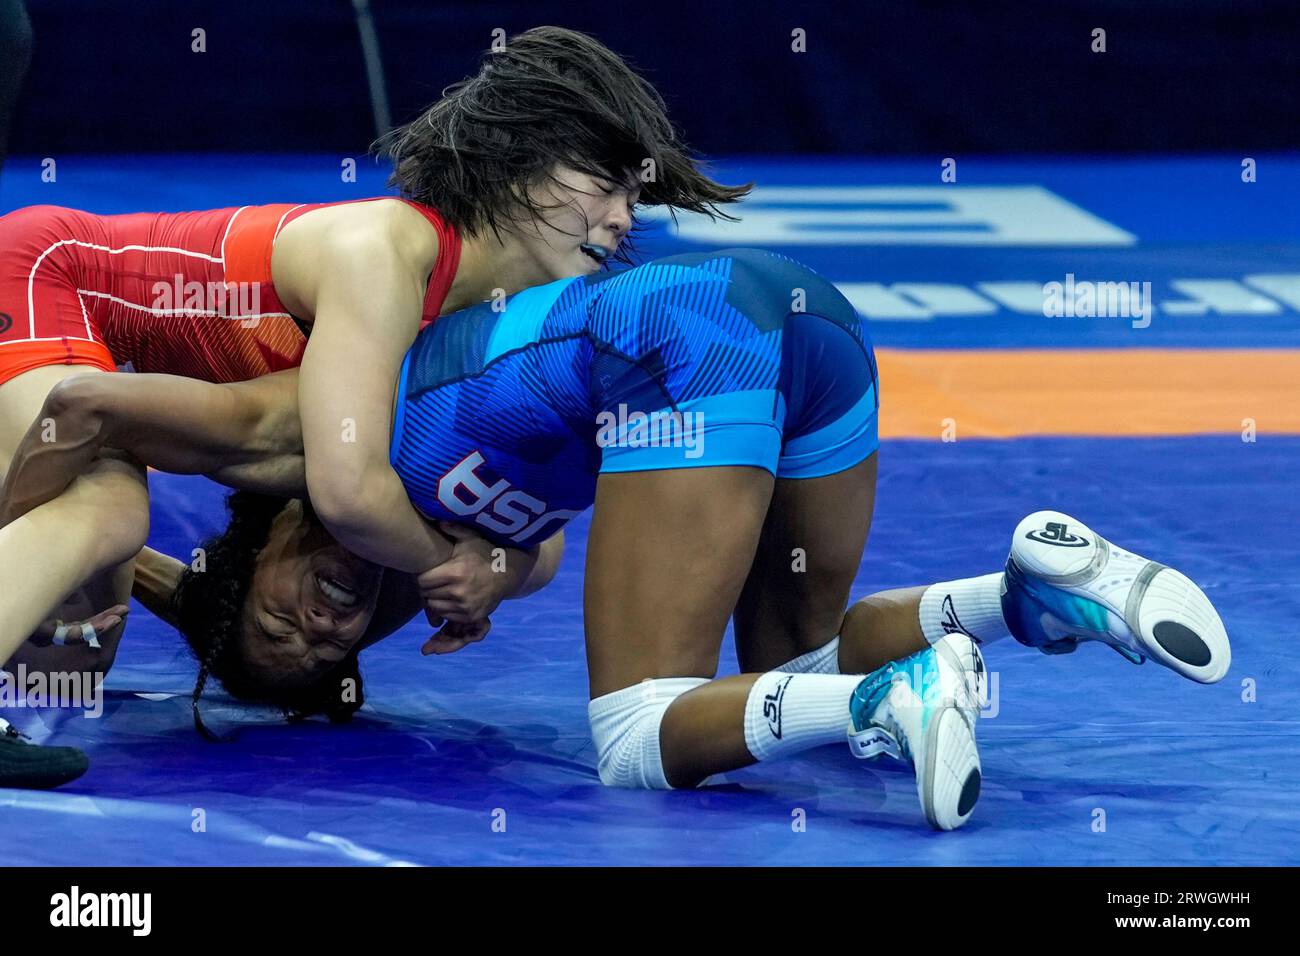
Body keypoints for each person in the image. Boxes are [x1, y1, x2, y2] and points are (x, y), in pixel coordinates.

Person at [4, 248, 1232, 828]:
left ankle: (891, 703)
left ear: (259, 539)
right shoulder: (444, 555)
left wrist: (86, 536)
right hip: (801, 328)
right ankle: (1023, 594)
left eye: (278, 610)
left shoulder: (303, 438)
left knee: (639, 728)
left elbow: (96, 403)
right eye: (322, 643)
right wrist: (477, 569)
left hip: (679, 338)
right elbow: (520, 551)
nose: (315, 618)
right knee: (789, 649)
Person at [0, 25, 746, 785]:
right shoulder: (384, 251)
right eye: (604, 183)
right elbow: (348, 493)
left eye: (631, 194)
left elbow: (532, 522)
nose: (624, 217)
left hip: (115, 373)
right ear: (520, 164)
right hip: (47, 278)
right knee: (107, 510)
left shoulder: (502, 317)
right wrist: (446, 568)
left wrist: (494, 566)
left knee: (63, 670)